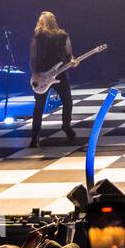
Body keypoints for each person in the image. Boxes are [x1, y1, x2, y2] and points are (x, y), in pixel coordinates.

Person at [29, 11, 76, 148]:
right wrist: (72, 61)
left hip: (41, 75)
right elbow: (69, 55)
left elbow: (33, 56)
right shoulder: (63, 36)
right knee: (67, 101)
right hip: (60, 74)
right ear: (54, 21)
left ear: (41, 22)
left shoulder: (37, 36)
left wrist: (34, 74)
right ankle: (66, 127)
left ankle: (34, 136)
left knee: (39, 105)